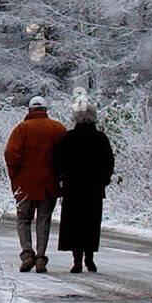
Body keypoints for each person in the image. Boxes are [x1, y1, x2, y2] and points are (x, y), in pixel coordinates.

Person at [4, 96, 66, 273]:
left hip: (24, 185)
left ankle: (26, 253)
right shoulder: (58, 128)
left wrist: (15, 177)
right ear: (45, 110)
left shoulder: (21, 129)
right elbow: (65, 156)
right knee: (43, 221)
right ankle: (40, 257)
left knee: (23, 220)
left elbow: (10, 153)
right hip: (49, 185)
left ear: (29, 110)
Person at [54, 100, 114, 273]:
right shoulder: (101, 138)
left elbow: (59, 161)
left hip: (73, 188)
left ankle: (77, 260)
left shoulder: (68, 137)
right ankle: (90, 258)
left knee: (74, 223)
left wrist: (61, 178)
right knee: (91, 223)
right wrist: (104, 180)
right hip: (94, 189)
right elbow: (109, 162)